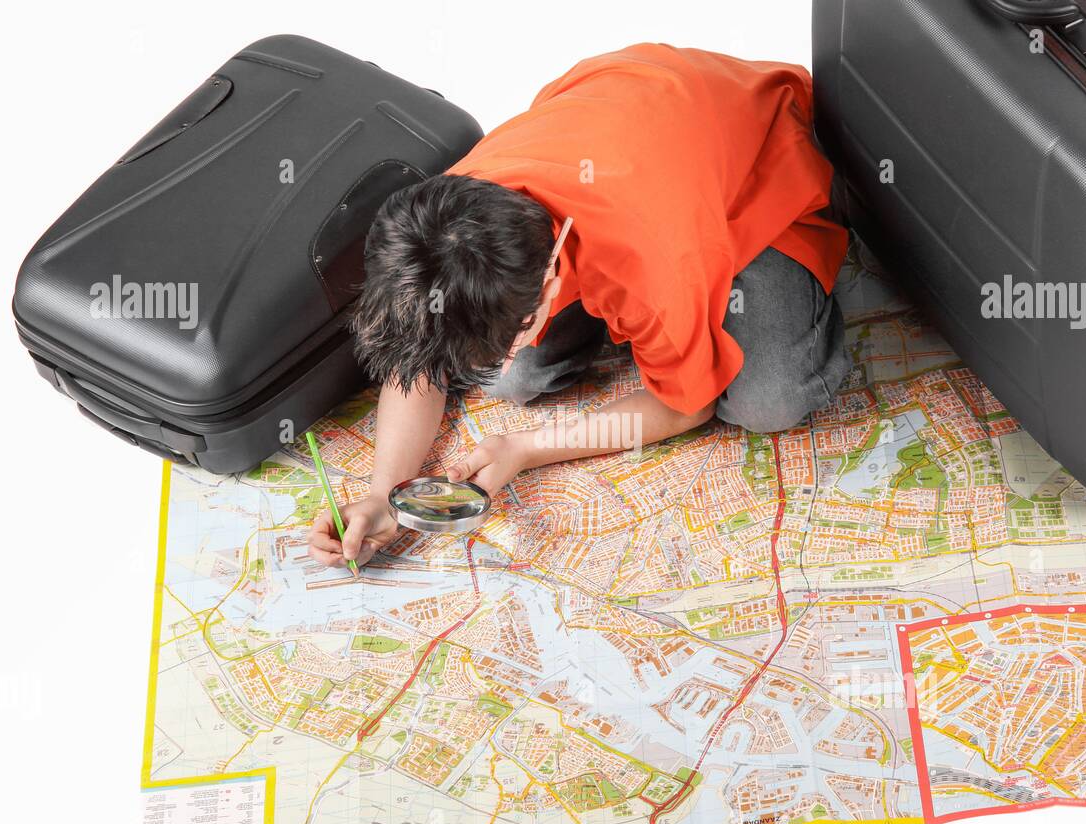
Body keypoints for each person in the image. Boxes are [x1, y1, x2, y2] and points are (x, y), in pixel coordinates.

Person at [308, 43, 850, 569]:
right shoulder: (444, 219)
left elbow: (689, 406)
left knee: (765, 400)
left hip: (759, 159)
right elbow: (420, 358)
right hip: (628, 108)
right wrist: (385, 495)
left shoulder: (655, 257)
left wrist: (526, 449)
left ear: (547, 290)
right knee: (511, 378)